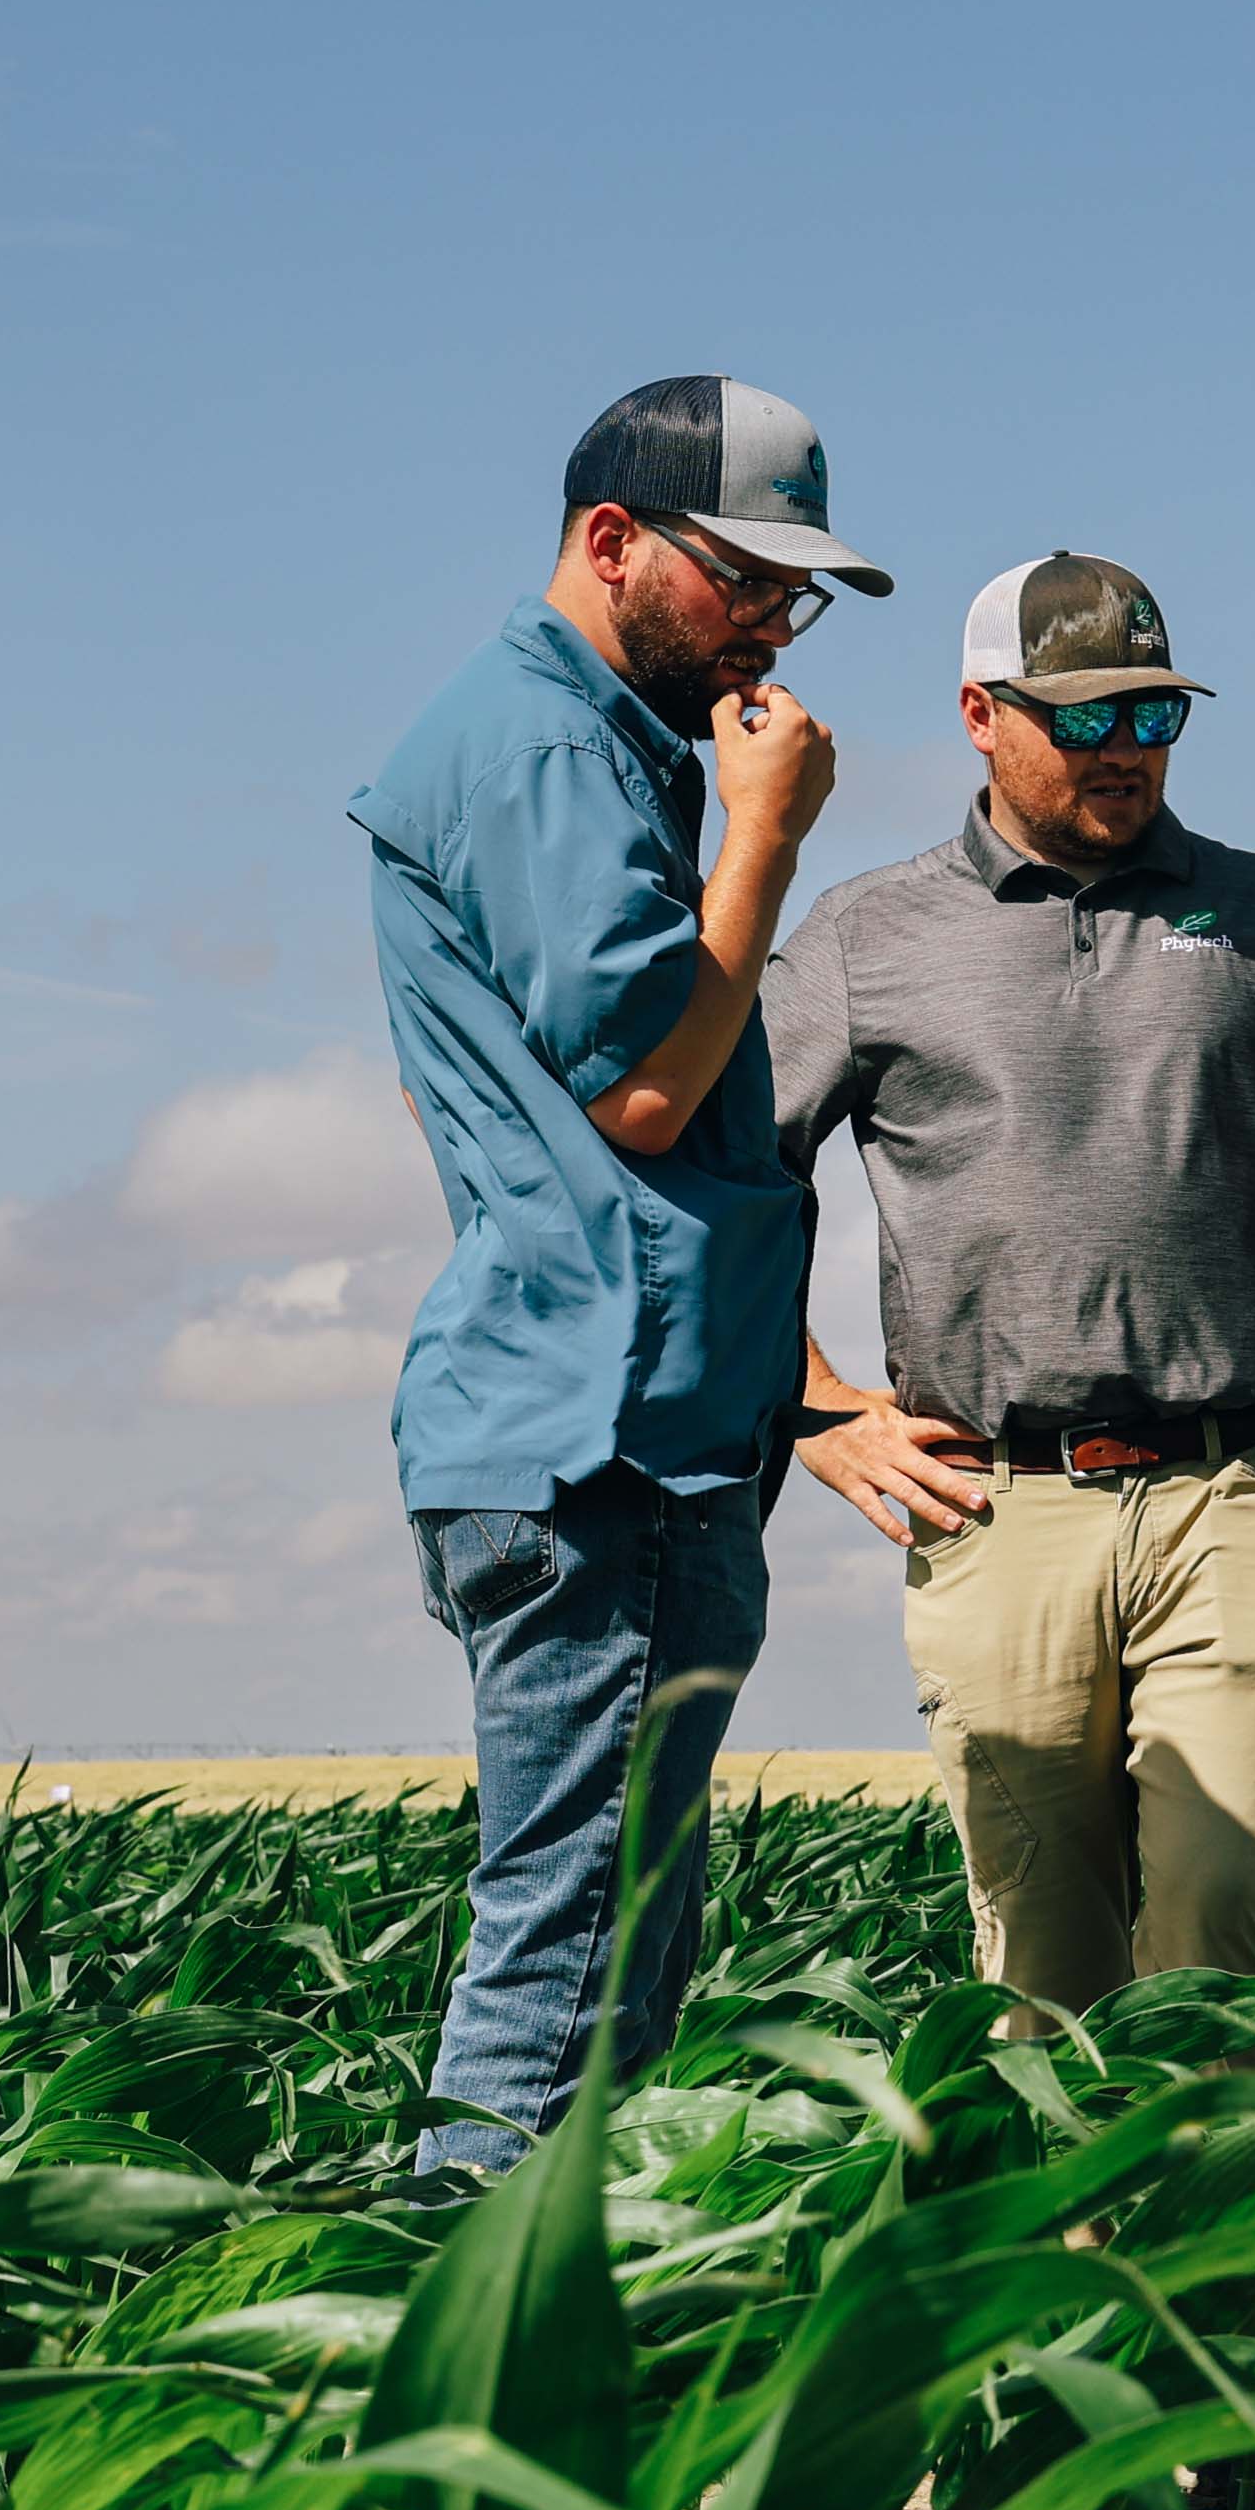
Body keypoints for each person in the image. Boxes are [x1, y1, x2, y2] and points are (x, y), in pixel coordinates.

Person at [762, 553, 1255, 2023]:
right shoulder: (866, 940)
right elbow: (722, 1185)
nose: (1124, 748)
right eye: (1082, 717)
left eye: (1153, 714)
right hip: (993, 1507)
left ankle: (1245, 2186)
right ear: (978, 715)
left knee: (1219, 1911)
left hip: (1235, 1488)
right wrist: (808, 1406)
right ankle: (1080, 2186)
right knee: (1044, 1970)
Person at [351, 374, 890, 2171]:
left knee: (610, 1961)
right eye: (745, 580)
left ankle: (520, 2309)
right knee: (568, 1976)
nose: (770, 630)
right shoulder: (546, 747)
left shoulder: (574, 742)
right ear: (610, 542)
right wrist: (766, 836)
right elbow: (648, 1083)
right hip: (604, 1437)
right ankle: (459, 2328)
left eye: (794, 598)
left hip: (604, 1427)